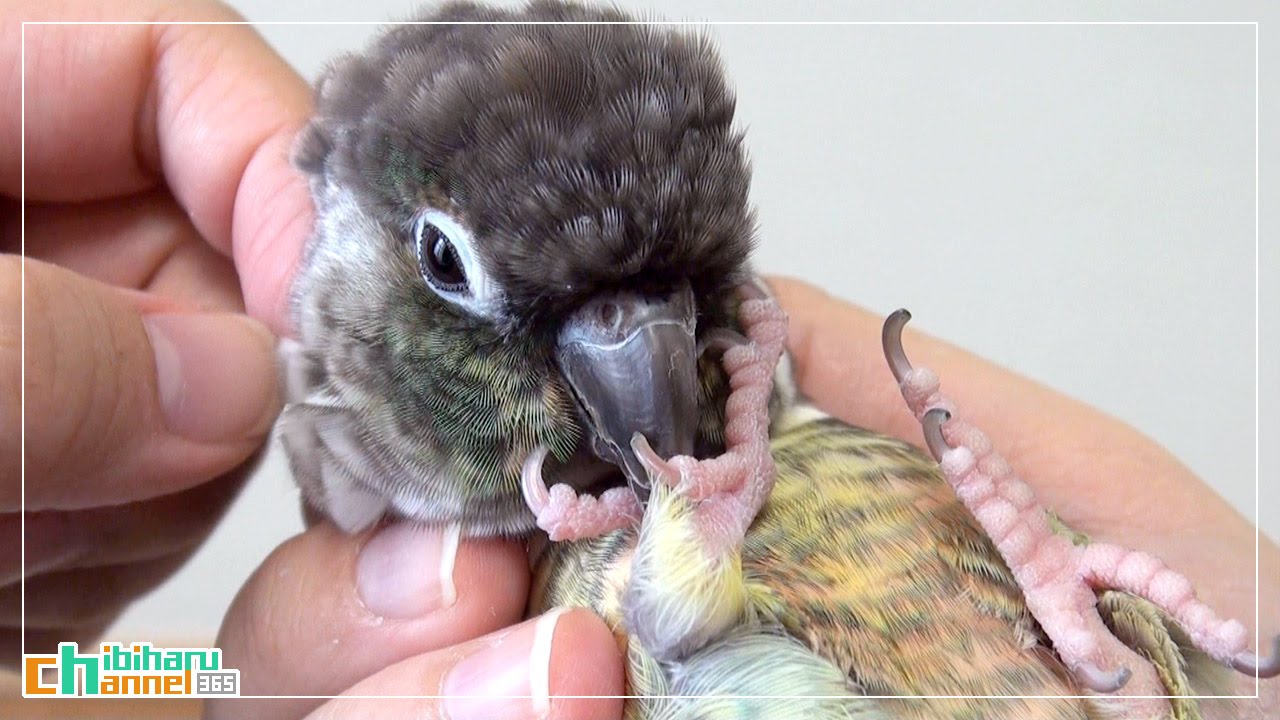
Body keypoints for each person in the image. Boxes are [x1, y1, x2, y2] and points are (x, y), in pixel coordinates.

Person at [1, 2, 1274, 718]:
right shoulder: (406, 605)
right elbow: (148, 678)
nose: (641, 362)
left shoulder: (811, 399)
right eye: (453, 270)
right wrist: (45, 664)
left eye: (684, 286)